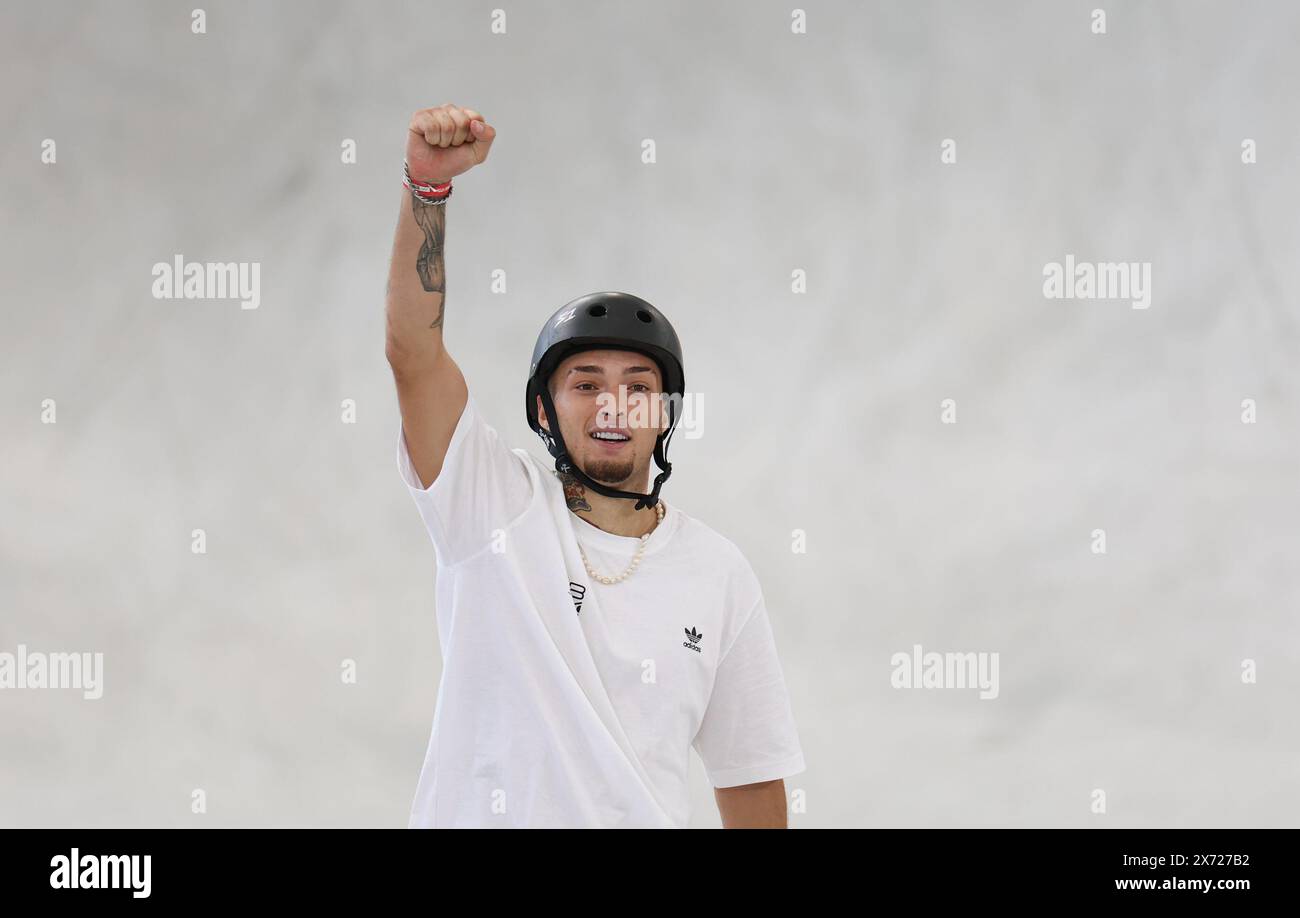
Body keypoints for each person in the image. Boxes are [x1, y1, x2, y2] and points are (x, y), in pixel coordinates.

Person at [385, 103, 805, 828]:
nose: (614, 404)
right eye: (585, 384)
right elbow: (411, 355)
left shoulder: (719, 573)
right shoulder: (489, 506)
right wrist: (427, 190)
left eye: (638, 387)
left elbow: (752, 783)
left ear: (664, 414)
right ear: (544, 412)